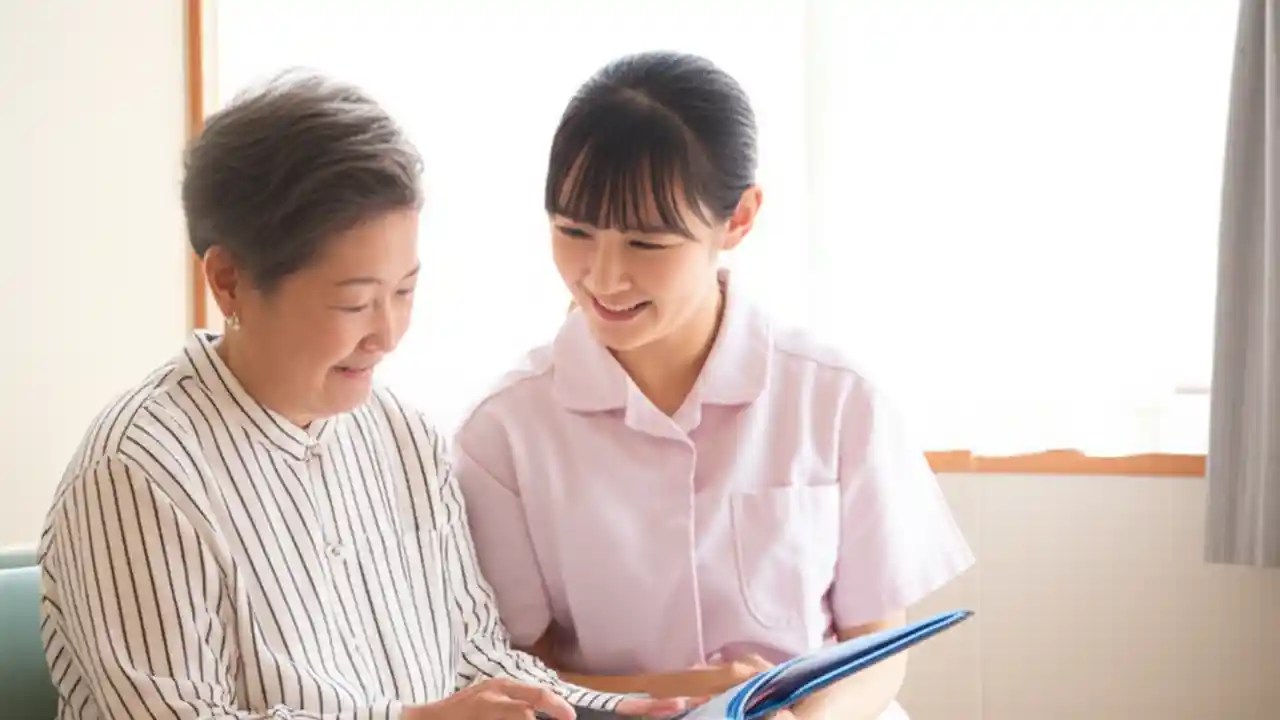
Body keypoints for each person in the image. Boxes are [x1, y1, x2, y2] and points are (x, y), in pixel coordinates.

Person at [36, 71, 683, 720]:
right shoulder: (137, 475)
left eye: (404, 291)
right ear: (229, 282)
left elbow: (477, 660)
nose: (389, 333)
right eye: (355, 302)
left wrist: (615, 711)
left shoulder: (403, 437)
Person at [453, 51, 975, 720]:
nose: (603, 277)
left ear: (739, 219)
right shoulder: (502, 432)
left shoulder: (837, 400)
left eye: (646, 244)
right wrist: (671, 694)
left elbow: (879, 644)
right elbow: (522, 666)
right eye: (573, 232)